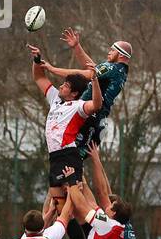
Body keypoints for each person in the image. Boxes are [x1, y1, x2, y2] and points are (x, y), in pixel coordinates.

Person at [27, 45, 103, 205]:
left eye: (66, 86)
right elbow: (39, 78)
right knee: (60, 207)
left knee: (77, 206)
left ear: (74, 93)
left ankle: (93, 229)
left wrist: (95, 80)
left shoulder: (78, 106)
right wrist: (37, 59)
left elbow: (96, 104)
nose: (61, 86)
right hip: (54, 157)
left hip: (68, 155)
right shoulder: (56, 99)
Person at [54, 28, 131, 156]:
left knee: (71, 159)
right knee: (73, 162)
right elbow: (92, 68)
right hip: (96, 118)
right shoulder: (119, 70)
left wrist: (52, 69)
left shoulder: (113, 68)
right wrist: (77, 47)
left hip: (91, 117)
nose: (109, 52)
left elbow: (87, 73)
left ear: (121, 55)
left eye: (113, 50)